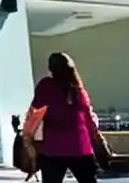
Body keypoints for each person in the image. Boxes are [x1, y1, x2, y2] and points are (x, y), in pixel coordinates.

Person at [28, 52, 108, 183]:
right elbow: (89, 118)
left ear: (50, 68)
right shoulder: (78, 89)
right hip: (81, 147)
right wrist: (96, 139)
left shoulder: (46, 86)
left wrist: (28, 138)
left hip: (53, 149)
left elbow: (34, 114)